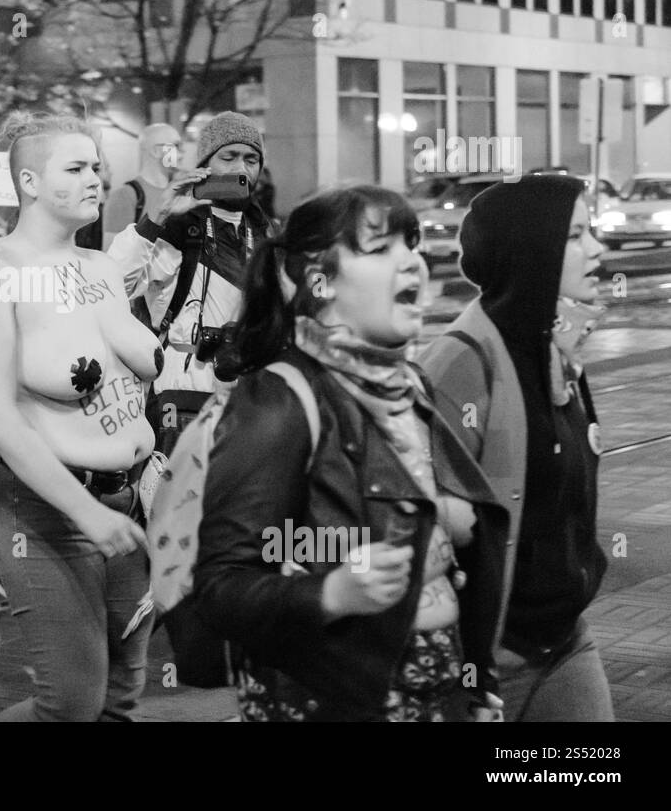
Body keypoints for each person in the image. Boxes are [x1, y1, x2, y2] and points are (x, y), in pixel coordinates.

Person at [195, 185, 509, 721]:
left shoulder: (409, 385)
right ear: (320, 280)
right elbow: (221, 587)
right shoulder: (279, 400)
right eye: (381, 247)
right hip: (337, 701)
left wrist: (472, 687)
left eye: (412, 244)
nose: (412, 260)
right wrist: (331, 593)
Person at [0, 112, 161, 722]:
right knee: (70, 705)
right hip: (53, 515)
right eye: (75, 168)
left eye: (97, 168)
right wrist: (85, 515)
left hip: (134, 506)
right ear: (28, 182)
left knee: (121, 699)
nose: (95, 181)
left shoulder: (102, 268)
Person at [421, 175, 613, 721]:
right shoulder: (461, 362)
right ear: (535, 251)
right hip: (484, 658)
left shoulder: (557, 349)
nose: (597, 248)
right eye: (576, 235)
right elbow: (428, 530)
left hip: (563, 639)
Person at [107, 111, 276, 453]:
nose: (241, 169)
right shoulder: (181, 223)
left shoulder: (267, 232)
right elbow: (113, 284)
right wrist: (160, 215)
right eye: (228, 157)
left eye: (251, 159)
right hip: (183, 385)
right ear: (204, 165)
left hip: (247, 388)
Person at [100, 123, 183, 243]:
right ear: (156, 151)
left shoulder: (180, 192)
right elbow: (113, 255)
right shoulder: (124, 196)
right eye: (176, 146)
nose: (181, 154)